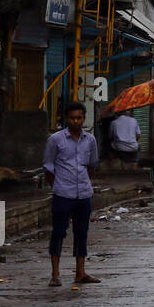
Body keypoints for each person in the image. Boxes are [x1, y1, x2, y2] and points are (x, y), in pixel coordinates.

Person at [43, 101, 100, 287]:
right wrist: (58, 186)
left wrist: (85, 183)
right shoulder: (55, 140)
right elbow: (49, 167)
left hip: (83, 194)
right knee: (58, 232)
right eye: (72, 118)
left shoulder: (90, 140)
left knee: (81, 233)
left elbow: (92, 166)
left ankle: (80, 272)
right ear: (66, 119)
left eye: (79, 118)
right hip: (62, 193)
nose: (76, 121)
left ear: (84, 119)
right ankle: (55, 274)